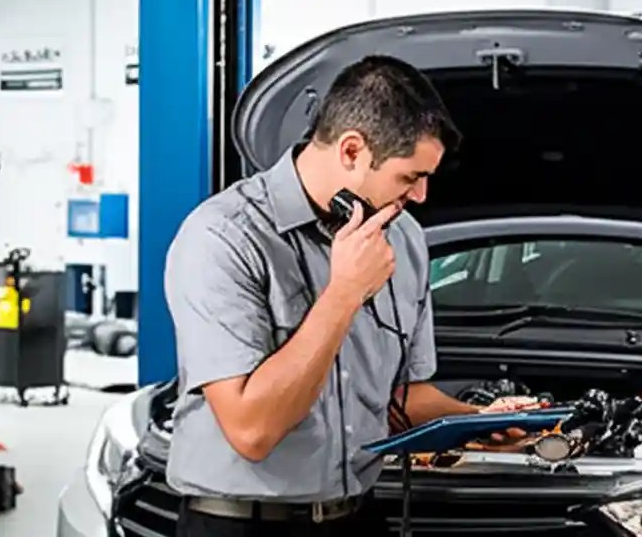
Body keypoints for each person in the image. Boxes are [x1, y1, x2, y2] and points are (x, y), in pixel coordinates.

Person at [162, 55, 525, 536]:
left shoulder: (404, 238)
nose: (420, 196)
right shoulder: (224, 238)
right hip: (242, 524)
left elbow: (397, 399)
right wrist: (344, 294)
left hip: (356, 516)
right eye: (410, 176)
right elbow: (252, 430)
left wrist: (477, 422)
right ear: (352, 151)